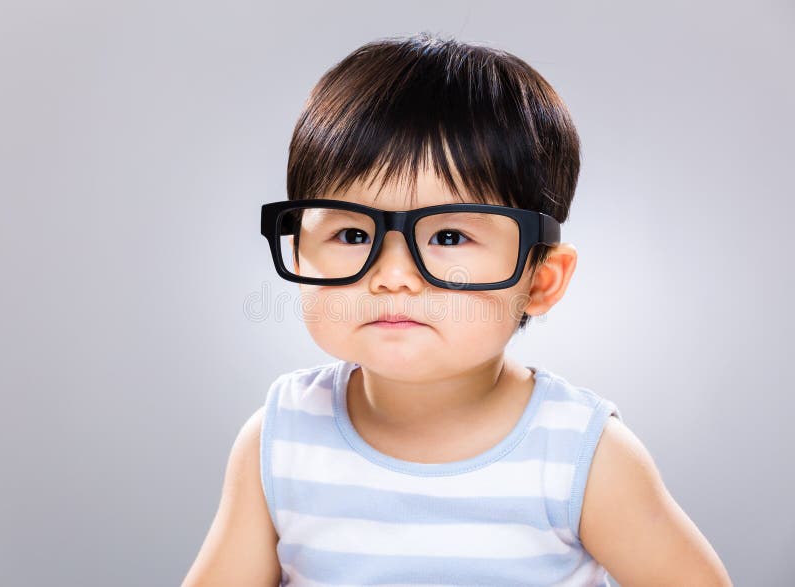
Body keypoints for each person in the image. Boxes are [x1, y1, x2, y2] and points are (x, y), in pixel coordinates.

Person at [183, 32, 732, 586]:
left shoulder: (581, 456)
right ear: (298, 247)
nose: (392, 277)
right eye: (351, 232)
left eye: (448, 237)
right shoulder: (281, 439)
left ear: (540, 279)